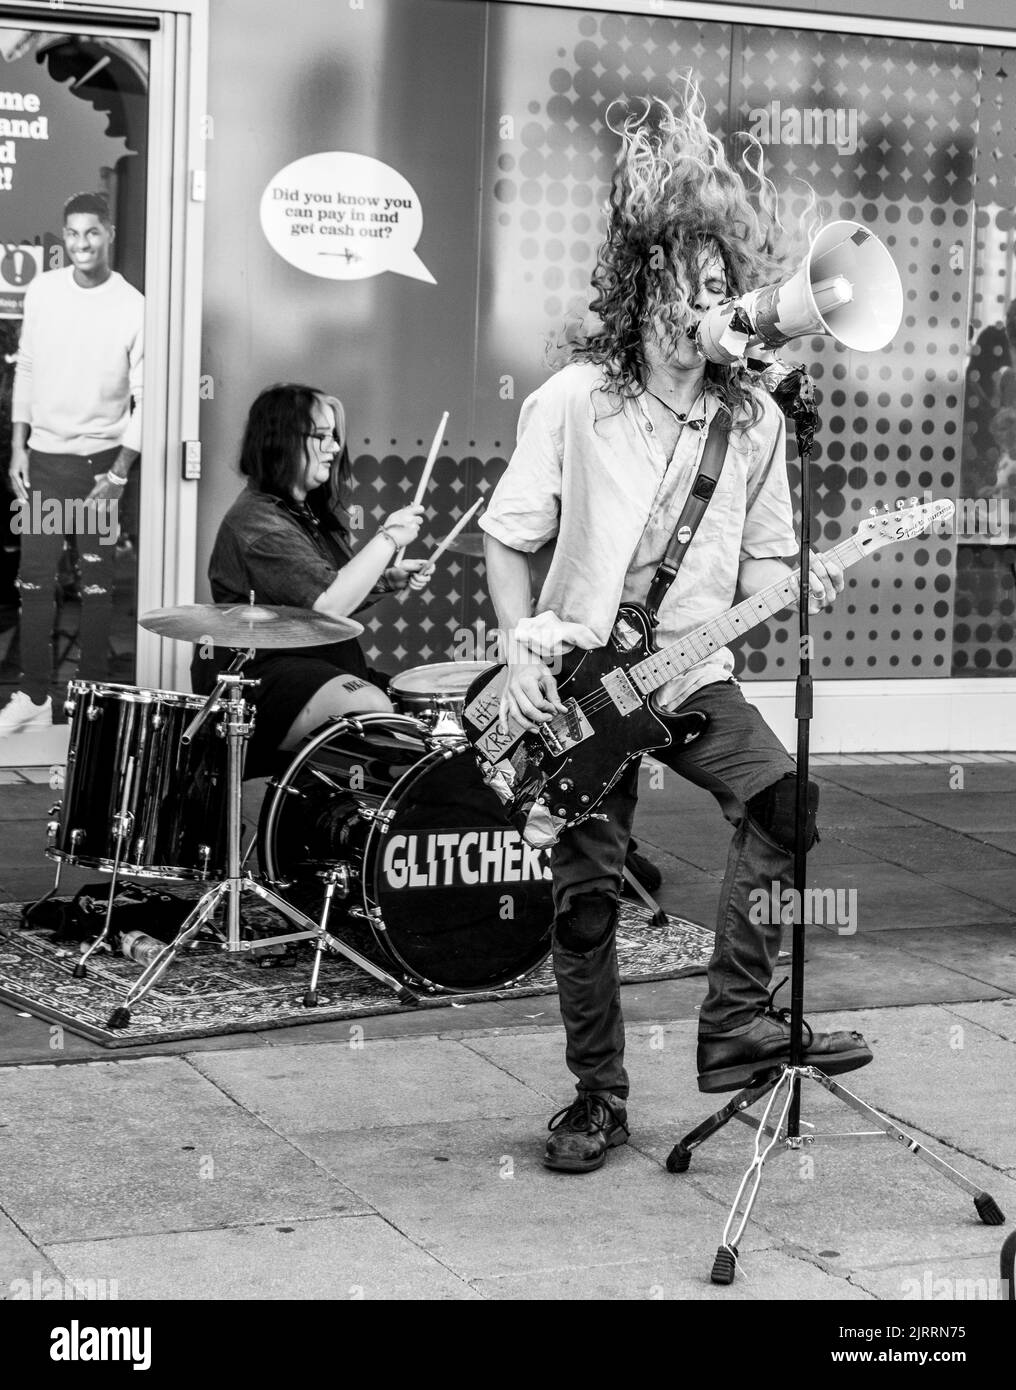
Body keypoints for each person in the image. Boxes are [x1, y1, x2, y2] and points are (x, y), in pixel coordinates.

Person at [479, 84, 873, 1175]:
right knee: (584, 900)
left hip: (695, 677)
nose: (715, 294)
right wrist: (520, 647)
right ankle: (595, 1096)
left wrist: (808, 578)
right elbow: (507, 541)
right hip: (577, 684)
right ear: (643, 275)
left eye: (724, 274)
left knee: (785, 805)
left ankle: (733, 1023)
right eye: (692, 271)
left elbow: (762, 563)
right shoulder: (569, 399)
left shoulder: (752, 420)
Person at [194, 383, 432, 772]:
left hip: (318, 667)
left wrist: (385, 580)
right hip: (262, 680)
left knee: (430, 708)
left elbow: (323, 588)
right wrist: (388, 538)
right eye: (322, 437)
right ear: (283, 441)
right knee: (369, 707)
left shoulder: (304, 513)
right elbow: (328, 603)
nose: (335, 448)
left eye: (334, 437)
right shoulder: (260, 522)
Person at [4, 191, 143, 735]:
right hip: (44, 459)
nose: (82, 243)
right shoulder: (44, 291)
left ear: (109, 233)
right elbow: (29, 368)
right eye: (73, 233)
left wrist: (118, 474)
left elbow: (146, 398)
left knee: (94, 584)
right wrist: (19, 443)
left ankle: (95, 703)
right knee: (34, 580)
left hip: (95, 467)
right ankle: (34, 695)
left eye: (92, 232)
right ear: (65, 237)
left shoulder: (134, 306)